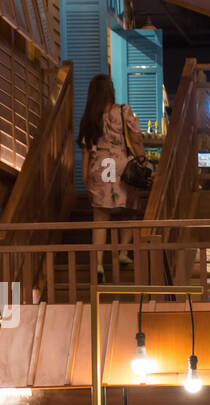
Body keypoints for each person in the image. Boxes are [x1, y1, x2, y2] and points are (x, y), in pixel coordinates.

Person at [78, 74, 143, 281]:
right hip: (122, 167)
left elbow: (86, 149)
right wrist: (142, 158)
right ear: (110, 91)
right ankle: (123, 252)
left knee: (100, 219)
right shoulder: (123, 111)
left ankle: (98, 264)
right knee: (130, 210)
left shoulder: (89, 116)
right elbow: (136, 137)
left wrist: (85, 176)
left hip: (98, 167)